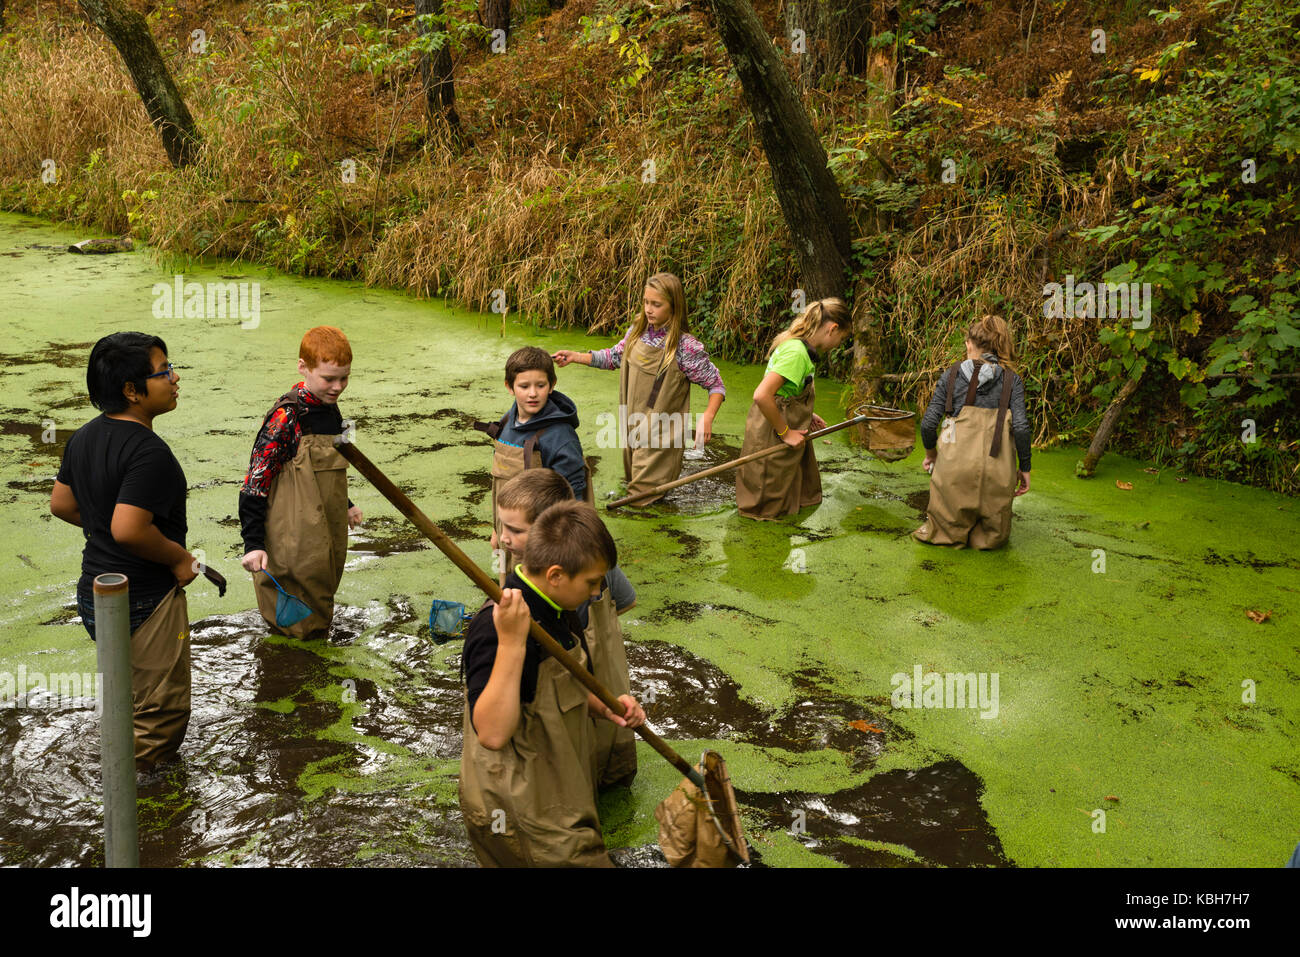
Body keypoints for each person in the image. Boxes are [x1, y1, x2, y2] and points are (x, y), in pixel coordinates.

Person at [459, 501, 646, 867]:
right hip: (520, 808)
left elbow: (547, 691)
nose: (596, 594)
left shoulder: (554, 607)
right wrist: (512, 643)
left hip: (556, 784)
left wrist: (602, 705)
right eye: (592, 583)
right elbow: (492, 733)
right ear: (556, 575)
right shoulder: (498, 627)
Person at [50, 333, 206, 771]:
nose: (175, 378)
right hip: (142, 598)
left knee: (128, 696)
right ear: (132, 391)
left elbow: (62, 504)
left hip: (95, 594)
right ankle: (139, 806)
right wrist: (177, 558)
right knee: (161, 714)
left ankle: (122, 776)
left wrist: (102, 525)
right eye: (164, 371)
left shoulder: (83, 438)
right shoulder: (148, 451)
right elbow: (127, 528)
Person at [495, 469, 638, 790]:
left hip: (600, 680)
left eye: (515, 530)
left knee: (608, 765)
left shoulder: (594, 567)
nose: (503, 538)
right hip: (560, 701)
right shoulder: (516, 590)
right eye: (502, 526)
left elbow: (625, 602)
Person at [553, 272, 726, 505]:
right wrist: (576, 356)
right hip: (632, 427)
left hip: (660, 437)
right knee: (641, 497)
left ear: (674, 307)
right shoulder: (637, 331)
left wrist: (708, 416)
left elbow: (715, 384)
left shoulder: (685, 347)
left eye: (657, 304)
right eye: (646, 302)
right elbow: (613, 357)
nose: (649, 309)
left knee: (639, 502)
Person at [239, 326, 363, 639]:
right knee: (294, 610)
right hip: (291, 529)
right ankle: (290, 664)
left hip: (325, 523)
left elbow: (330, 468)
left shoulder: (332, 410)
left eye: (344, 378)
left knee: (323, 585)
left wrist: (346, 505)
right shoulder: (286, 417)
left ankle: (315, 652)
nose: (337, 387)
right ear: (303, 368)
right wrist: (253, 544)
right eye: (329, 378)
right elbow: (254, 483)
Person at [914, 314, 1032, 549]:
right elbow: (1021, 428)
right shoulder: (1013, 381)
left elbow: (928, 424)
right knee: (992, 539)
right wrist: (1025, 467)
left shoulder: (951, 375)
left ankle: (951, 533)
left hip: (954, 470)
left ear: (969, 343)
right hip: (997, 471)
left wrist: (931, 455)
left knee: (942, 533)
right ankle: (985, 536)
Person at [474, 346, 589, 570]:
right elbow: (500, 485)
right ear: (510, 387)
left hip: (544, 544)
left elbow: (573, 502)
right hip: (507, 536)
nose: (533, 393)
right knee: (508, 590)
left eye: (541, 385)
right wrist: (497, 530)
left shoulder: (561, 437)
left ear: (552, 385)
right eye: (524, 386)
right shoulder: (507, 422)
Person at [736, 298, 851, 521]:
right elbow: (762, 395)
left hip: (782, 420)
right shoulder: (796, 353)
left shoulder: (797, 345)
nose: (839, 344)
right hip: (772, 431)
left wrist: (807, 413)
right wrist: (785, 433)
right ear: (832, 328)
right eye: (842, 338)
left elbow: (786, 391)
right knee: (765, 501)